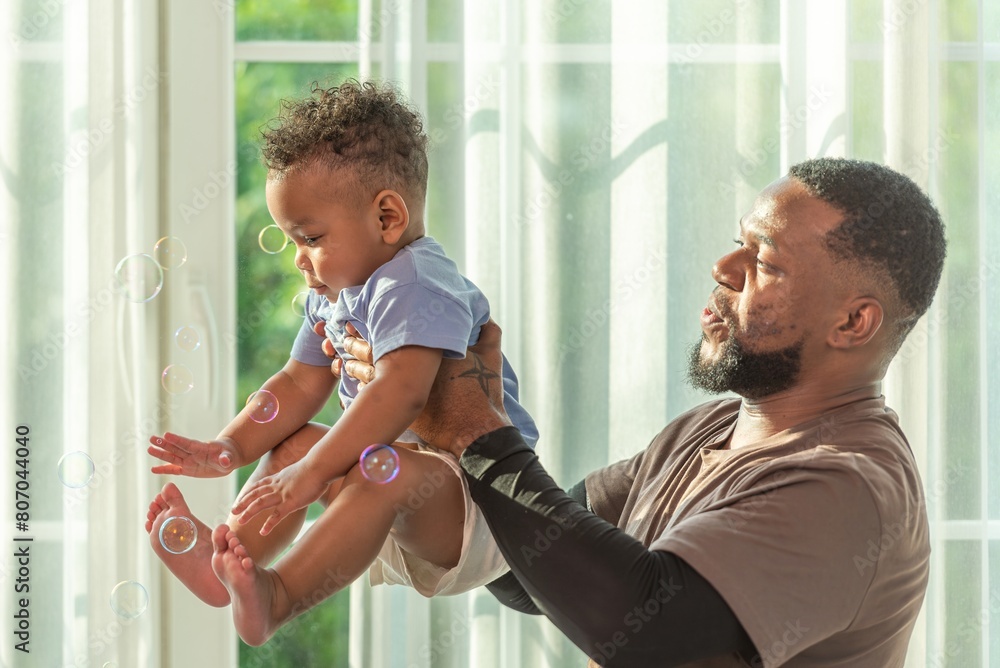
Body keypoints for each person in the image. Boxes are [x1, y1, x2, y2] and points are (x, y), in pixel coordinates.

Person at [336, 158, 946, 666]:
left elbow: (655, 638)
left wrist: (473, 427)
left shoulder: (848, 486)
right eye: (740, 243)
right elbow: (525, 571)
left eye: (764, 262)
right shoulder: (708, 430)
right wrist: (445, 418)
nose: (723, 269)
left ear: (852, 322)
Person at [144, 79, 538, 647]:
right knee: (298, 443)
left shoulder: (416, 282)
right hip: (395, 488)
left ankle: (277, 596)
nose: (300, 260)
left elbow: (401, 391)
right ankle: (225, 564)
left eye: (310, 237)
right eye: (291, 241)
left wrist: (313, 475)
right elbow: (299, 382)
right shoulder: (335, 292)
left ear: (387, 218)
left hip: (486, 501)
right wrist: (229, 448)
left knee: (343, 464)